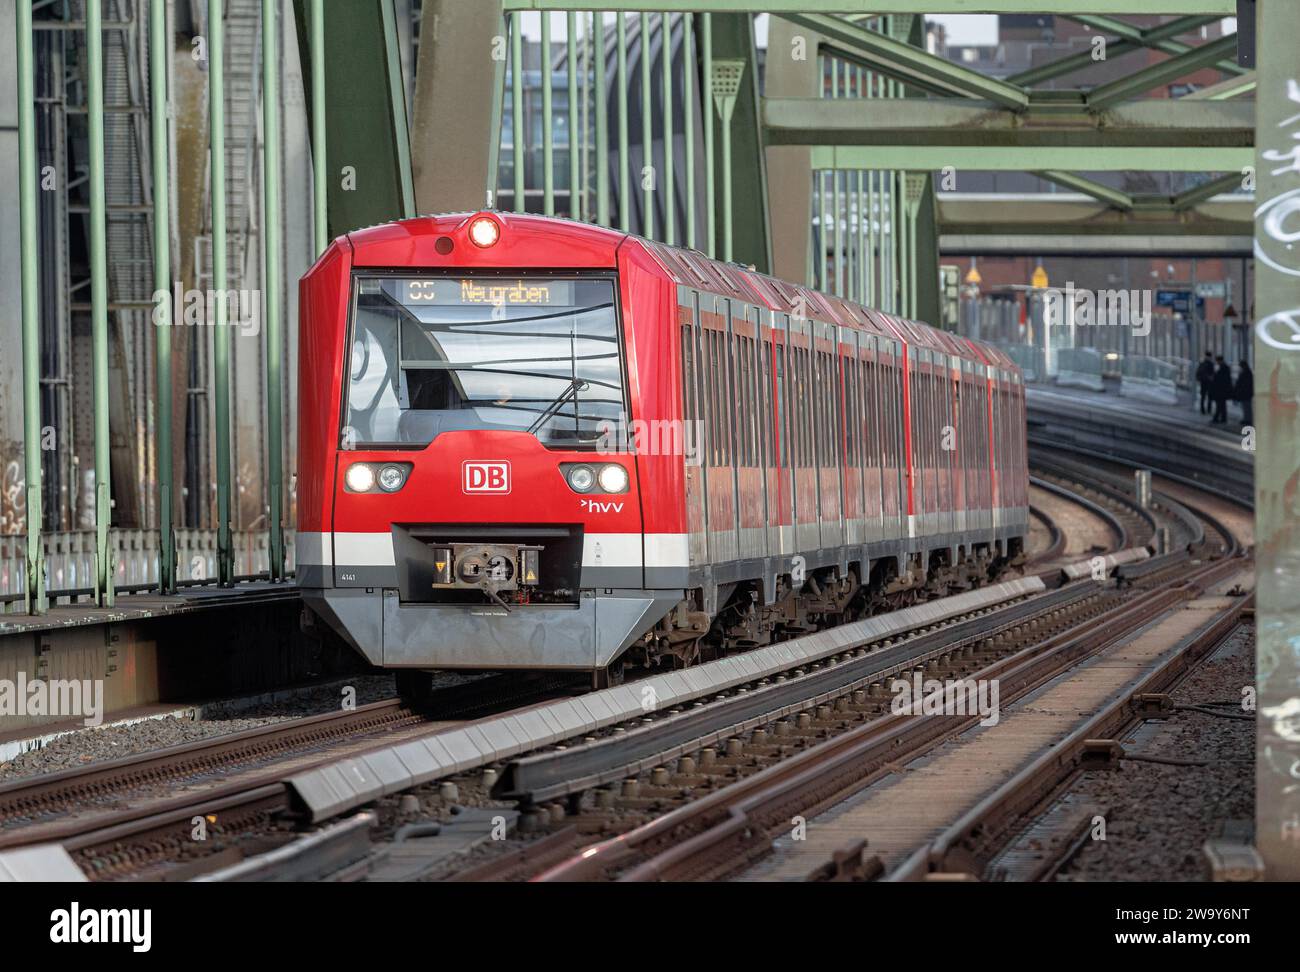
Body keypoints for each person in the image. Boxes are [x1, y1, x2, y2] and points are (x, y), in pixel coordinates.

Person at [1210, 354, 1232, 425]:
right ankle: (1222, 418)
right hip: (1223, 390)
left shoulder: (1223, 368)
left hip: (1220, 390)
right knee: (1222, 405)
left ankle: (1218, 418)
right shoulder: (1225, 368)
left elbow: (1220, 379)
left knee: (1220, 404)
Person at [1233, 359, 1253, 430]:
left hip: (1246, 393)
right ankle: (1246, 418)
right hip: (1246, 393)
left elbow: (1244, 384)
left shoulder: (1246, 373)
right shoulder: (1247, 372)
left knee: (1247, 406)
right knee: (1245, 406)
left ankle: (1248, 419)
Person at [1195, 350, 1215, 415]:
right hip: (1209, 382)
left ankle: (1202, 409)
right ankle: (1208, 410)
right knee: (1209, 397)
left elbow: (1198, 373)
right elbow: (1212, 373)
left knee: (1203, 397)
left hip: (1203, 382)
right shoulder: (1211, 364)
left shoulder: (1202, 363)